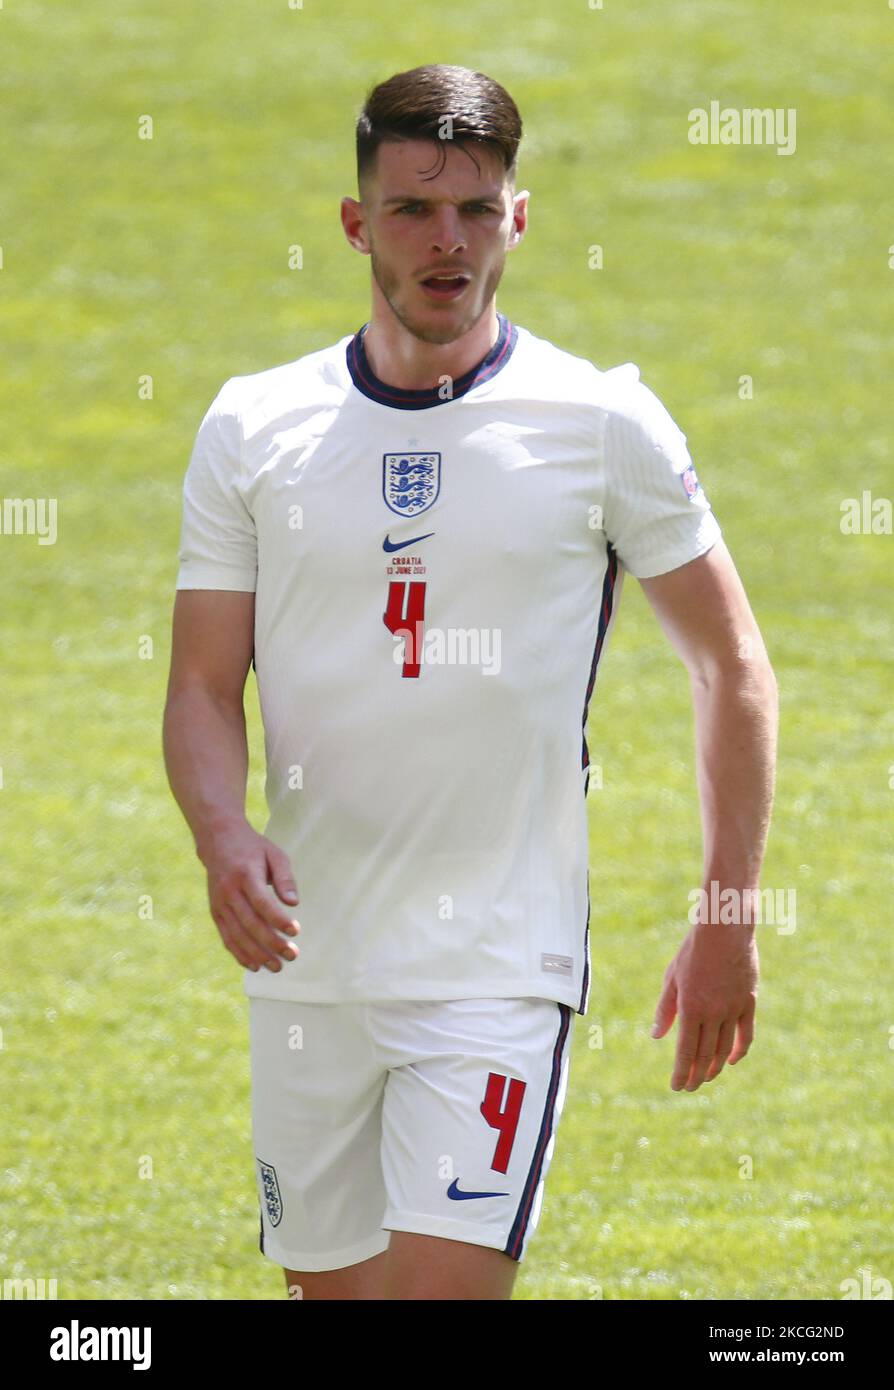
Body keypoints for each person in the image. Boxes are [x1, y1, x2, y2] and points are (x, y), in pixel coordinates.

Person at [163, 63, 778, 1301]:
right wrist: (221, 833)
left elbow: (733, 667)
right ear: (355, 224)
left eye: (476, 210)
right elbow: (199, 682)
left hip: (498, 967)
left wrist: (727, 913)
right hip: (307, 968)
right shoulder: (253, 424)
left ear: (519, 218)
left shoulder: (602, 422)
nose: (447, 242)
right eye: (411, 210)